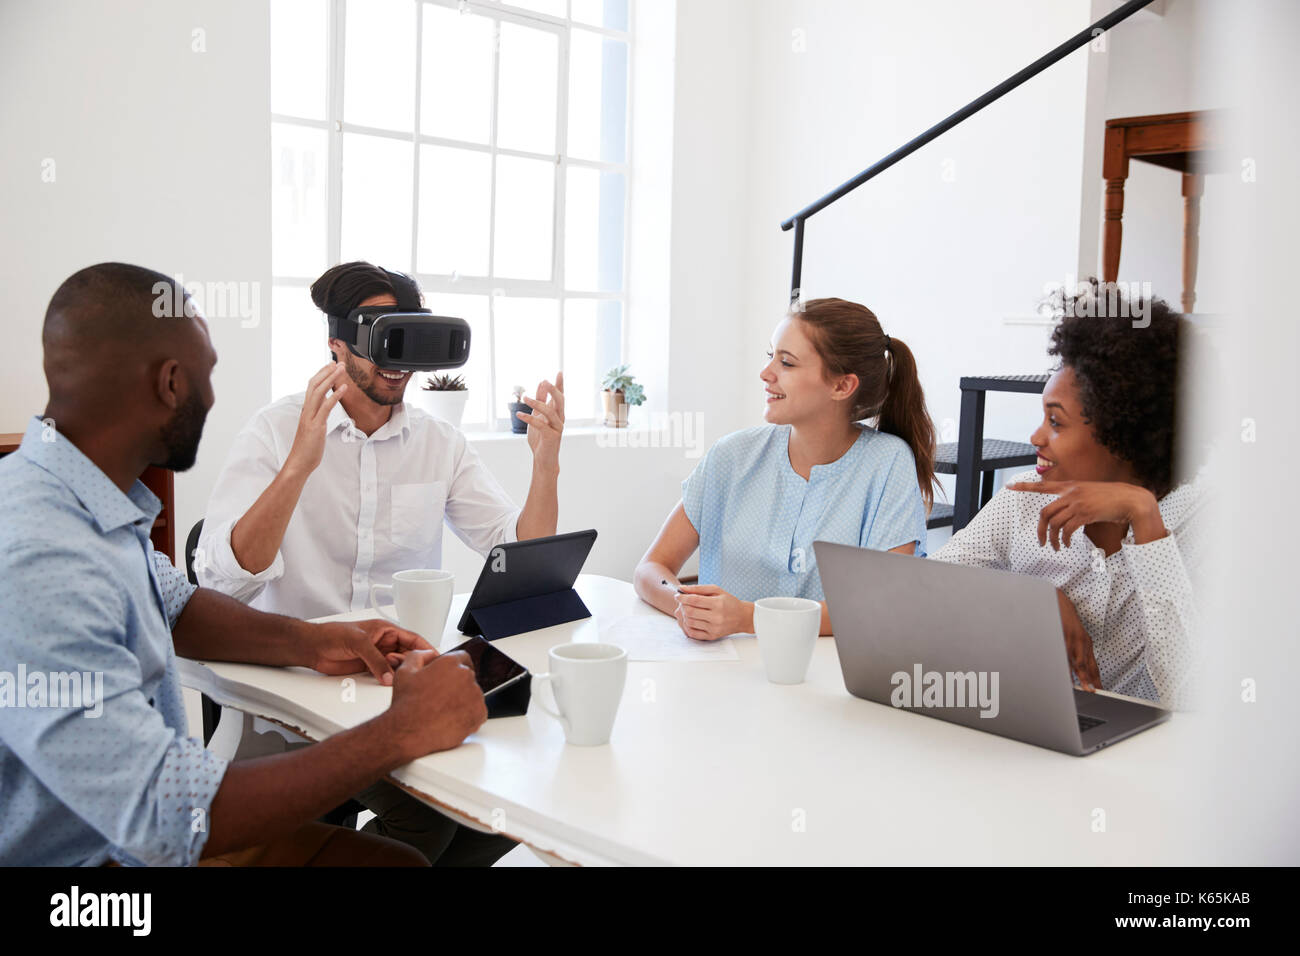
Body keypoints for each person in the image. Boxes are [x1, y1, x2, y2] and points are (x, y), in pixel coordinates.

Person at [0, 263, 488, 866]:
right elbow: (162, 814)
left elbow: (177, 607)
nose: (211, 396)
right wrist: (398, 732)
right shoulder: (39, 554)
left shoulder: (83, 499)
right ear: (170, 383)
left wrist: (318, 641)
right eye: (208, 374)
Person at [196, 260, 564, 864]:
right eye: (381, 341)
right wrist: (299, 466)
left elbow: (513, 557)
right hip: (296, 693)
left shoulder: (438, 444)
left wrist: (545, 464)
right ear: (337, 347)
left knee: (503, 808)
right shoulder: (272, 432)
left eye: (408, 341)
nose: (398, 363)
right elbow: (219, 580)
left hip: (394, 686)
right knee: (427, 823)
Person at [932, 282, 1205, 710]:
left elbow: (1189, 695)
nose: (1036, 437)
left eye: (1056, 423)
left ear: (1123, 434)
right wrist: (1029, 597)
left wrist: (1144, 517)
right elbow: (930, 589)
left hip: (1149, 758)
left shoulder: (1201, 524)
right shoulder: (1023, 499)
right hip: (1032, 727)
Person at [634, 297, 937, 640]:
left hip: (825, 679)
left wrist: (747, 618)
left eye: (787, 363)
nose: (766, 374)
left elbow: (881, 604)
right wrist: (684, 603)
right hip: (723, 671)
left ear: (842, 386)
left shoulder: (887, 464)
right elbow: (651, 568)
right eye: (770, 356)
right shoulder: (732, 456)